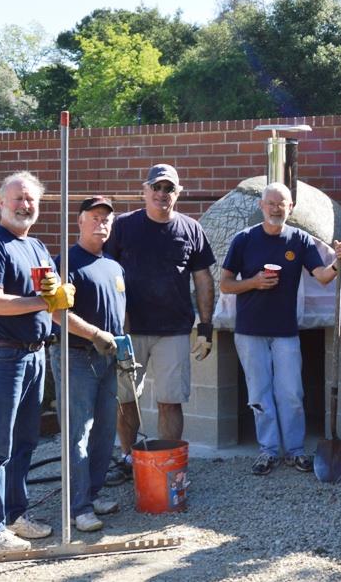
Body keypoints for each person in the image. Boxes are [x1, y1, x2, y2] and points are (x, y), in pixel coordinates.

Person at [0, 171, 75, 554]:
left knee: (25, 442)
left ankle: (14, 516)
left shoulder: (39, 248)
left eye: (31, 199)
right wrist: (45, 303)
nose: (25, 205)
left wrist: (84, 323)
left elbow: (55, 302)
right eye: (18, 198)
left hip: (35, 354)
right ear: (1, 203)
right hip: (1, 356)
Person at [219, 183, 341, 475]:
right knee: (259, 394)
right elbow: (225, 284)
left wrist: (339, 262)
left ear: (291, 207)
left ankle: (295, 451)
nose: (276, 209)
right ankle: (268, 451)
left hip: (285, 330)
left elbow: (323, 276)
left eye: (282, 204)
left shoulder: (300, 240)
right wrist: (253, 282)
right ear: (261, 206)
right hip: (249, 330)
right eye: (271, 203)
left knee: (291, 393)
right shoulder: (243, 239)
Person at [104, 164, 215, 482]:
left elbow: (204, 279)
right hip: (128, 330)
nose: (162, 194)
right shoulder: (123, 227)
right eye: (157, 187)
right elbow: (105, 272)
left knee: (170, 402)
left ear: (177, 193)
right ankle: (128, 460)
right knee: (125, 401)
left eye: (169, 189)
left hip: (174, 330)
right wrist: (111, 321)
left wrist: (205, 328)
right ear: (145, 190)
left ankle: (168, 466)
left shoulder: (191, 229)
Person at [48, 196, 125, 532]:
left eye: (106, 218)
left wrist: (124, 345)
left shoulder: (113, 264)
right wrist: (95, 334)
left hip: (108, 357)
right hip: (76, 357)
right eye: (94, 217)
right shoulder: (65, 263)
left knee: (106, 432)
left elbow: (122, 310)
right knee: (78, 432)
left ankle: (92, 495)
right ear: (79, 221)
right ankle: (78, 508)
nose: (101, 223)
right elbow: (56, 313)